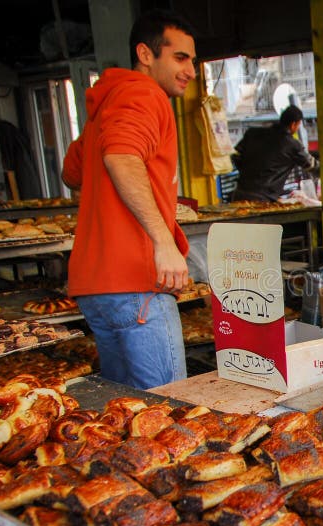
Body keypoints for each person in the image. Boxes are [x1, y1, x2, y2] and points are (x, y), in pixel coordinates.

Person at [61, 9, 197, 389]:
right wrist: (163, 241)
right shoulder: (144, 93)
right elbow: (121, 156)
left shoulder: (105, 104)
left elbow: (71, 174)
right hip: (135, 281)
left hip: (95, 287)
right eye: (180, 58)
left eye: (193, 60)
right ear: (145, 54)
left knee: (123, 411)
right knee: (170, 409)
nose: (191, 70)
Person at [230, 105, 319, 202]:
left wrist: (248, 172)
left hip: (239, 194)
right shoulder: (292, 144)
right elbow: (313, 166)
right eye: (298, 125)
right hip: (263, 200)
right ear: (294, 124)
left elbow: (235, 156)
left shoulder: (252, 133)